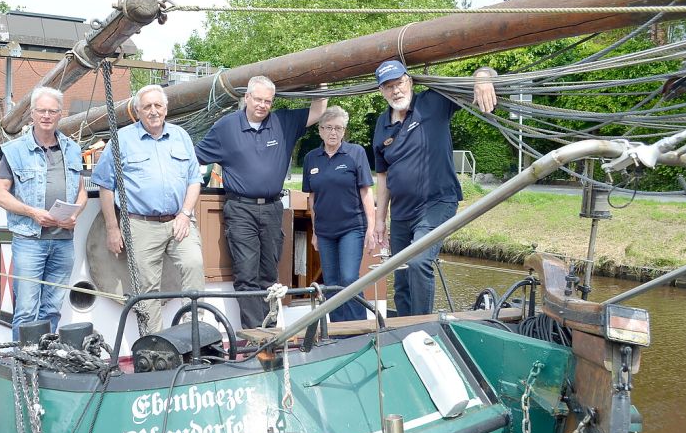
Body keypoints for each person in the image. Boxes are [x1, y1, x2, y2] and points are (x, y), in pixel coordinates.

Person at [195, 76, 327, 329]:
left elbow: (318, 110)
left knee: (268, 273)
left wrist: (321, 79)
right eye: (258, 99)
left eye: (268, 101)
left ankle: (270, 327)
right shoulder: (226, 128)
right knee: (246, 274)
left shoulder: (283, 122)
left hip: (272, 208)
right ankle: (256, 334)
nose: (262, 105)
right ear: (247, 98)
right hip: (240, 208)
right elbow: (194, 158)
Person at [371, 59, 496, 316]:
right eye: (388, 87)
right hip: (401, 212)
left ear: (411, 81)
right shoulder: (381, 125)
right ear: (381, 91)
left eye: (399, 83)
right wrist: (380, 220)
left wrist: (483, 76)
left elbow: (471, 83)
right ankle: (404, 328)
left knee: (418, 262)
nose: (396, 91)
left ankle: (422, 325)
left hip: (436, 204)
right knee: (402, 273)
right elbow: (382, 176)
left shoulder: (433, 102)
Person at [91, 85, 204, 334]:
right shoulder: (121, 139)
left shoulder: (181, 136)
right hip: (140, 225)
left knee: (193, 264)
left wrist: (185, 213)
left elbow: (194, 180)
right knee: (147, 288)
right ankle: (156, 345)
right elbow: (106, 187)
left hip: (178, 221)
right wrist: (112, 228)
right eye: (147, 107)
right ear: (138, 111)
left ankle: (194, 334)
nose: (153, 111)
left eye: (158, 106)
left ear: (166, 109)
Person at [0, 86, 87, 340]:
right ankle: (22, 365)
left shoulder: (73, 149)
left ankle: (44, 358)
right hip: (29, 240)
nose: (47, 116)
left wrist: (75, 214)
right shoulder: (14, 151)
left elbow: (81, 192)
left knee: (52, 308)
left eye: (52, 111)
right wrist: (31, 212)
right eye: (41, 111)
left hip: (63, 241)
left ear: (60, 115)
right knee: (26, 309)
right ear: (32, 114)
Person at [302, 105, 376, 322]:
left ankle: (357, 330)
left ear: (344, 131)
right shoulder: (311, 158)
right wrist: (315, 232)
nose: (333, 133)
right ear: (320, 131)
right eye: (328, 128)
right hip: (325, 231)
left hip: (351, 227)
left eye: (339, 128)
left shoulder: (356, 153)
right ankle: (335, 331)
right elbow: (312, 197)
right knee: (332, 282)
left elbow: (366, 192)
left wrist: (371, 228)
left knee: (349, 278)